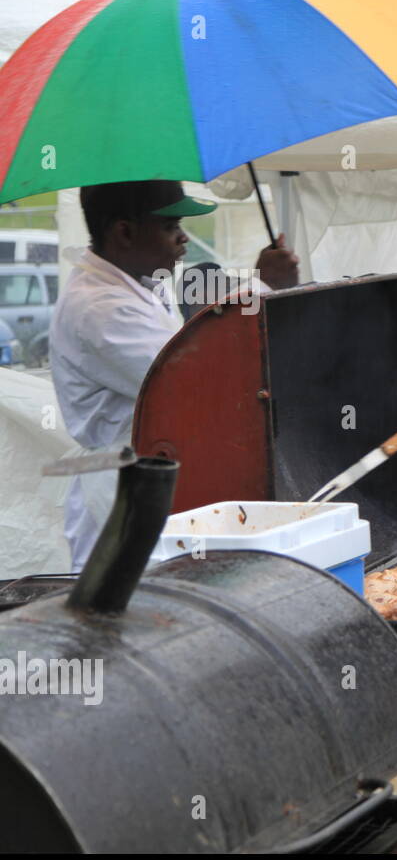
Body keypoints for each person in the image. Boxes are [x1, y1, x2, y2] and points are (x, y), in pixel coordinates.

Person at [51, 180, 298, 571]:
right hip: (125, 489)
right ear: (125, 232)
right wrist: (261, 287)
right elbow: (190, 377)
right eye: (170, 226)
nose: (183, 238)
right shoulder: (100, 307)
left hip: (149, 478)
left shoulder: (137, 284)